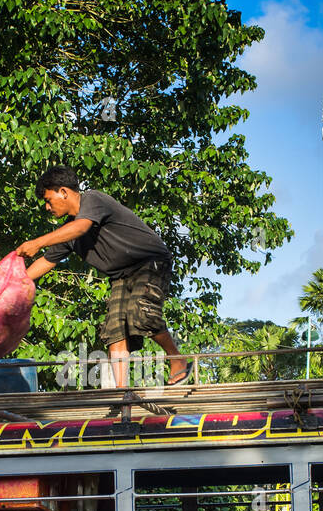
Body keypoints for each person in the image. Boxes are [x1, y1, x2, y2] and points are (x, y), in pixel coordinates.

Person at [16, 166, 191, 388]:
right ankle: (122, 391)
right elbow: (46, 262)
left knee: (142, 314)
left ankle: (177, 359)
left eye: (49, 200)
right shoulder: (67, 232)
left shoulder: (93, 199)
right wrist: (13, 283)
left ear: (63, 191)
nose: (47, 207)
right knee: (114, 330)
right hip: (121, 275)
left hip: (149, 261)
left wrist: (38, 242)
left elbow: (82, 227)